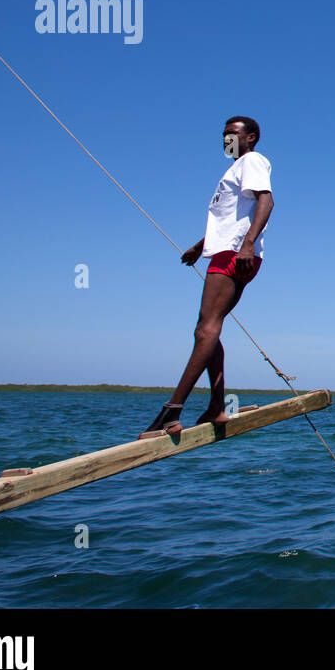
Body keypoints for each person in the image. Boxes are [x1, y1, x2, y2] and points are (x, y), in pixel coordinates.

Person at [139, 116, 273, 438]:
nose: (227, 139)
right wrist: (201, 247)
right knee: (210, 330)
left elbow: (266, 201)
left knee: (205, 329)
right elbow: (230, 217)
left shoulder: (252, 161)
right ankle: (216, 407)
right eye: (224, 135)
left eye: (233, 134)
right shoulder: (233, 169)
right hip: (228, 251)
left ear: (251, 137)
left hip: (234, 254)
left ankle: (172, 411)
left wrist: (248, 243)